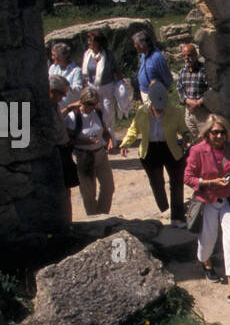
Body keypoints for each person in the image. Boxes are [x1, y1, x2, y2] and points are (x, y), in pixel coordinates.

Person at [184, 114, 230, 304]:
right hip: (209, 200)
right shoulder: (197, 150)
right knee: (208, 240)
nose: (219, 136)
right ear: (207, 133)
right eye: (215, 133)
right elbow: (188, 177)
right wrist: (209, 182)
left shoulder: (229, 148)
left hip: (229, 199)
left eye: (223, 133)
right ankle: (206, 262)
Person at [120, 80, 188, 226]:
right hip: (150, 150)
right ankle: (165, 211)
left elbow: (183, 129)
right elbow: (134, 130)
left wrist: (187, 137)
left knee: (176, 183)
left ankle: (177, 217)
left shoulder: (175, 111)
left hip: (171, 149)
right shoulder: (142, 112)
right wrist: (125, 143)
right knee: (157, 183)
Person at [65, 85, 115, 215]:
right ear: (82, 102)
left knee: (108, 187)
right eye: (88, 104)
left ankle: (103, 215)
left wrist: (108, 139)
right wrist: (85, 142)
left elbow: (104, 131)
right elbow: (68, 141)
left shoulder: (97, 112)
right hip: (83, 156)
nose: (91, 107)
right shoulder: (73, 117)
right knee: (88, 193)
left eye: (93, 104)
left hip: (100, 154)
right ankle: (94, 218)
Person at [49, 74, 78, 223]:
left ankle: (67, 221)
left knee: (67, 190)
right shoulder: (45, 108)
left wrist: (68, 108)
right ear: (52, 91)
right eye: (62, 93)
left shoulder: (54, 105)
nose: (65, 96)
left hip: (65, 150)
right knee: (61, 190)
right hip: (57, 152)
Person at [81, 30, 119, 136]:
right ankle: (99, 136)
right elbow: (84, 74)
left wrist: (120, 85)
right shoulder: (87, 54)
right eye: (88, 40)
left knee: (107, 113)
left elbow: (116, 69)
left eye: (91, 40)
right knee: (95, 112)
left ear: (98, 42)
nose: (88, 42)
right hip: (92, 87)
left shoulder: (108, 54)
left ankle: (110, 138)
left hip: (107, 87)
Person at [176, 42, 212, 146]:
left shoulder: (204, 70)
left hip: (202, 112)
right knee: (193, 142)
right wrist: (188, 101)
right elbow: (179, 89)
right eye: (184, 56)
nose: (187, 58)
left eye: (189, 55)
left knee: (206, 140)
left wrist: (198, 103)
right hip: (189, 112)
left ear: (195, 55)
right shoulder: (182, 72)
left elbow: (210, 89)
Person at [133, 30, 172, 103]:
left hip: (155, 94)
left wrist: (166, 89)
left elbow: (167, 77)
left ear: (143, 45)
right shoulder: (143, 54)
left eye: (136, 44)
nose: (134, 46)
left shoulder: (157, 58)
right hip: (145, 92)